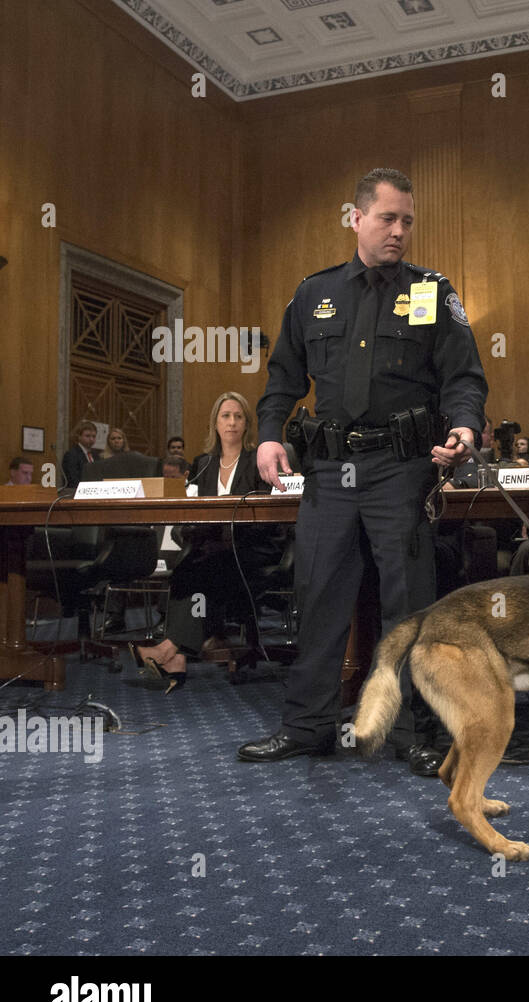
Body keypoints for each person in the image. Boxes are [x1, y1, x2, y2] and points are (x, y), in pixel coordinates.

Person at [240, 167, 486, 777]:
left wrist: (464, 426)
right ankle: (307, 725)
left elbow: (463, 378)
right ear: (355, 218)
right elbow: (282, 381)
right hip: (328, 471)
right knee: (318, 594)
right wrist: (269, 436)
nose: (399, 231)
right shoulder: (313, 292)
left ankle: (412, 731)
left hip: (402, 468)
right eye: (387, 218)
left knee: (410, 600)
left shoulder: (433, 291)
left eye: (407, 220)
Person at [129, 392, 277, 690]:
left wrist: (224, 541)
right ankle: (176, 655)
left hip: (251, 552)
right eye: (226, 416)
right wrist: (199, 537)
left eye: (238, 416)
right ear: (215, 423)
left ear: (247, 424)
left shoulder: (256, 462)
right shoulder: (203, 464)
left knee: (199, 569)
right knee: (189, 566)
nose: (232, 422)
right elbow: (189, 515)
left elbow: (267, 520)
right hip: (210, 552)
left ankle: (170, 651)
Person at [62, 420, 98, 488]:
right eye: (87, 436)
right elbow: (72, 479)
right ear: (79, 436)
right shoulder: (71, 455)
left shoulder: (96, 455)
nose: (91, 439)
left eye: (94, 436)